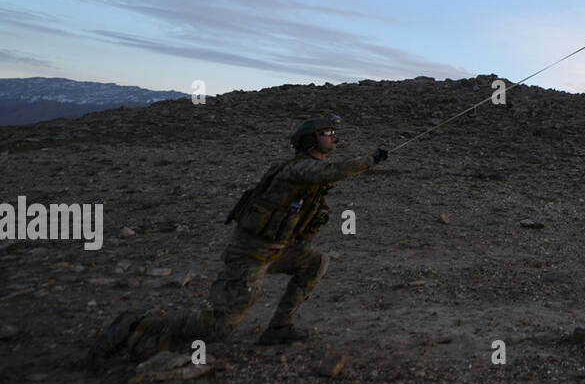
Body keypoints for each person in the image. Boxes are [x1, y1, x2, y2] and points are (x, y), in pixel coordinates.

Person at [88, 115, 388, 363]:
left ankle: (280, 327)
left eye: (334, 132)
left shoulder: (308, 168)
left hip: (276, 249)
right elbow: (333, 172)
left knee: (315, 263)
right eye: (327, 132)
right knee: (221, 326)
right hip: (252, 253)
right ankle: (134, 326)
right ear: (311, 139)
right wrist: (370, 160)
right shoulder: (301, 167)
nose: (334, 137)